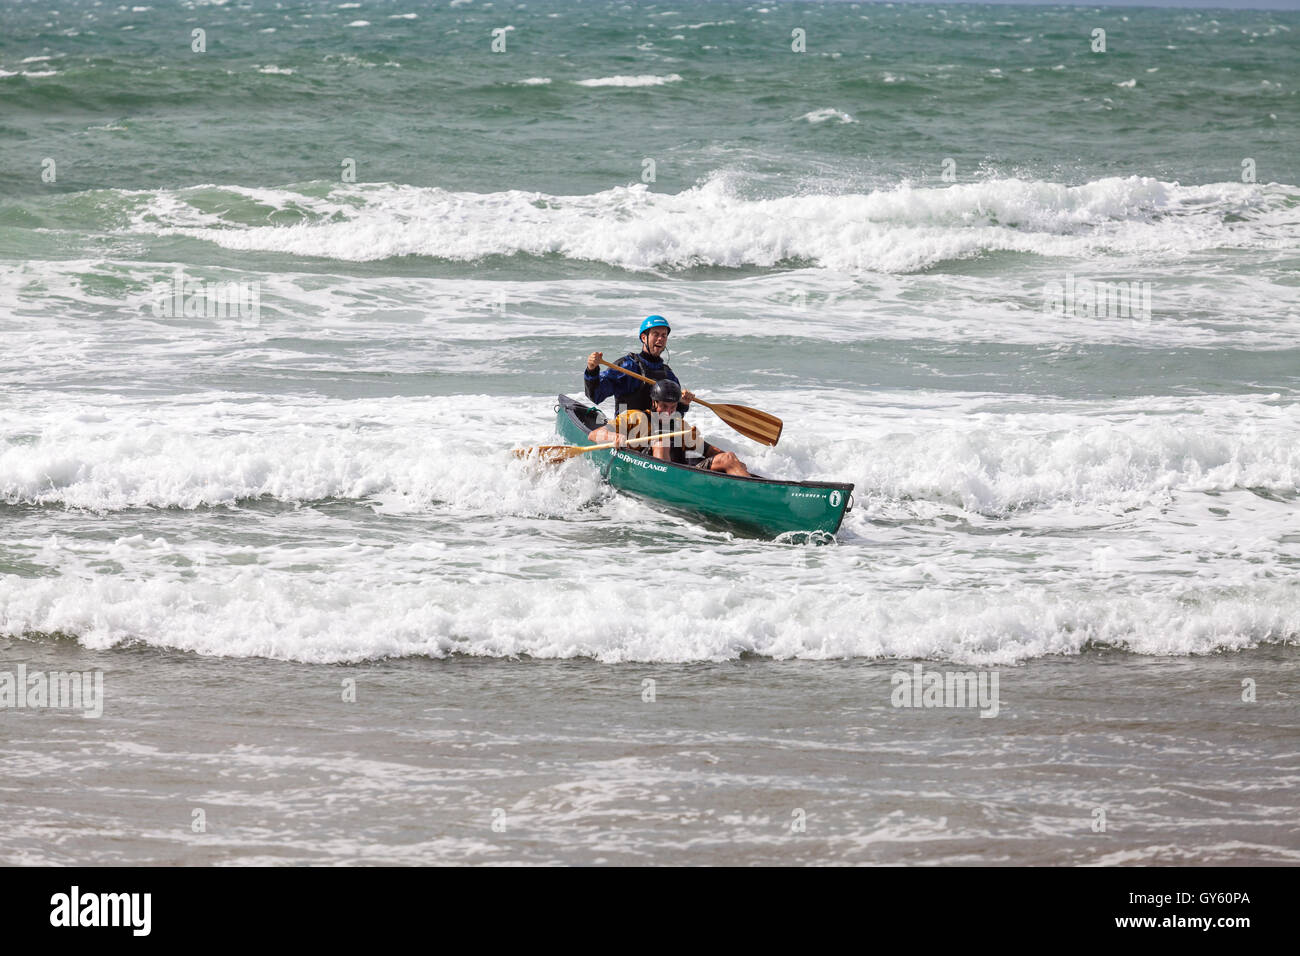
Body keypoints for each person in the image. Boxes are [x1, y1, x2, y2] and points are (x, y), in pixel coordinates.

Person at [588, 379, 750, 477]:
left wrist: (737, 463)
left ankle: (752, 489)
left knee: (728, 457)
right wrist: (615, 437)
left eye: (673, 407)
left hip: (682, 475)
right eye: (664, 406)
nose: (668, 411)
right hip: (647, 471)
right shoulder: (634, 417)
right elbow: (595, 434)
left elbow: (709, 451)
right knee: (662, 440)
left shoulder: (680, 426)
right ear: (654, 403)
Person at [584, 315, 697, 418]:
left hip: (656, 432)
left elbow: (674, 417)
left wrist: (683, 404)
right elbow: (596, 396)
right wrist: (592, 370)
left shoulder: (669, 376)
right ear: (644, 338)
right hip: (626, 428)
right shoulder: (626, 366)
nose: (660, 339)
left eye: (664, 335)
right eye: (656, 334)